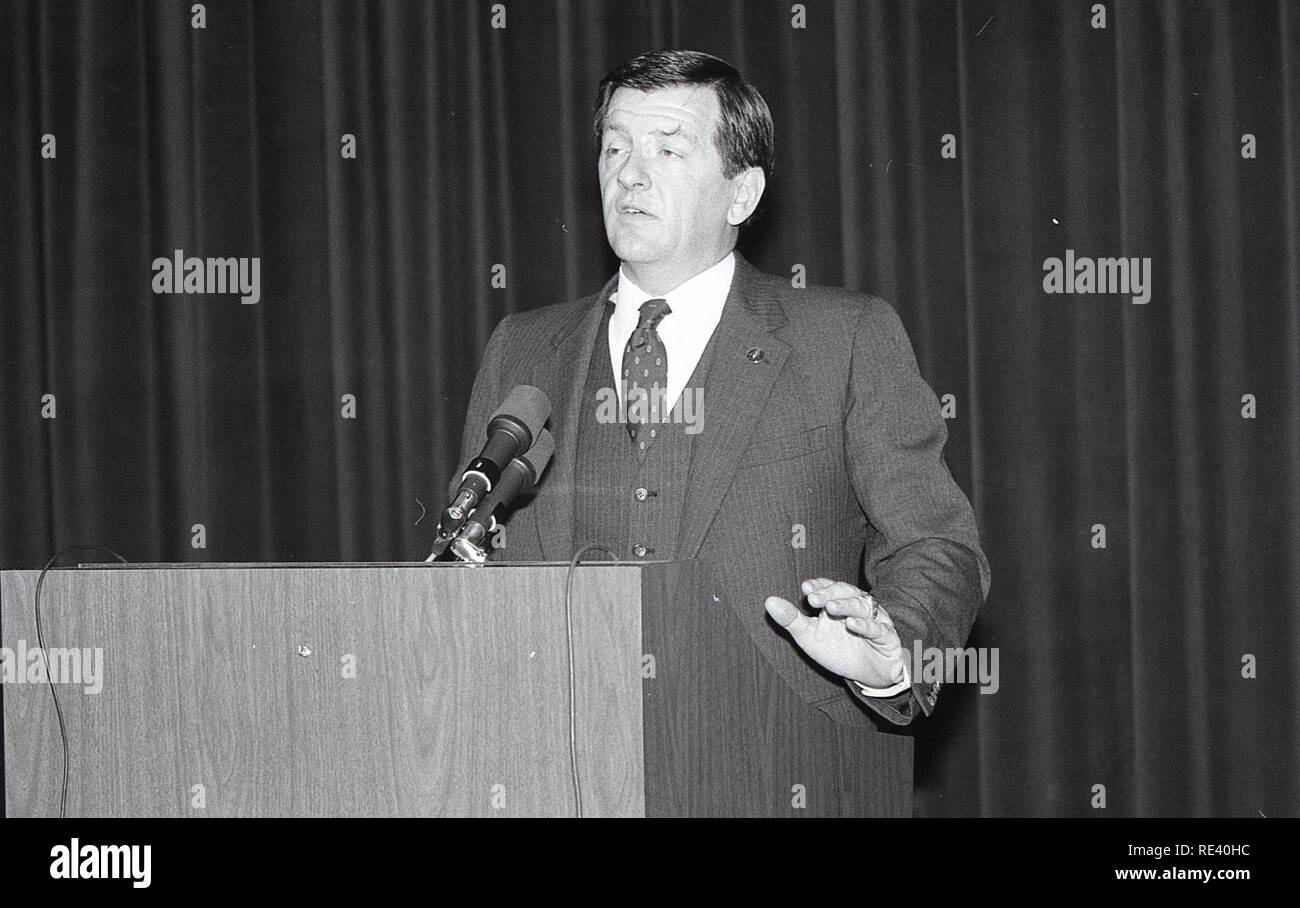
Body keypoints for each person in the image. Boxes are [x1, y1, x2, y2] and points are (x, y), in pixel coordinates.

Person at [449, 49, 990, 810]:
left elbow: (936, 543)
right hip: (557, 777)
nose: (628, 175)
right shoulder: (523, 348)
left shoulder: (843, 338)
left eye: (667, 149)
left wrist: (890, 651)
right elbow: (473, 572)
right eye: (614, 148)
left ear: (742, 191)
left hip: (783, 776)